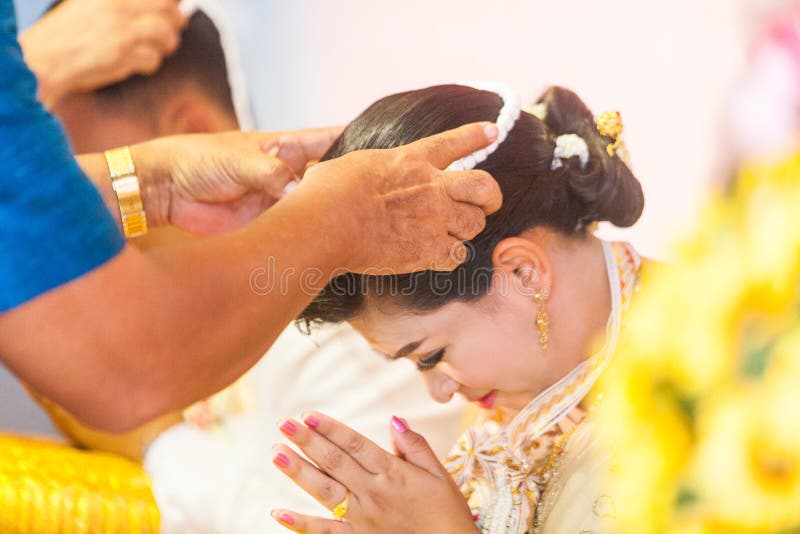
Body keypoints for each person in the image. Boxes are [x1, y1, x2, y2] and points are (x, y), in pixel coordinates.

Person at [28, 7, 466, 531]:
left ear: (188, 131)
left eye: (65, 160)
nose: (48, 200)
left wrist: (156, 441)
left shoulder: (344, 302)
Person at [269, 84, 647, 533]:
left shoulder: (711, 380)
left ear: (523, 274)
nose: (439, 392)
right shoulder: (515, 415)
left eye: (431, 356)